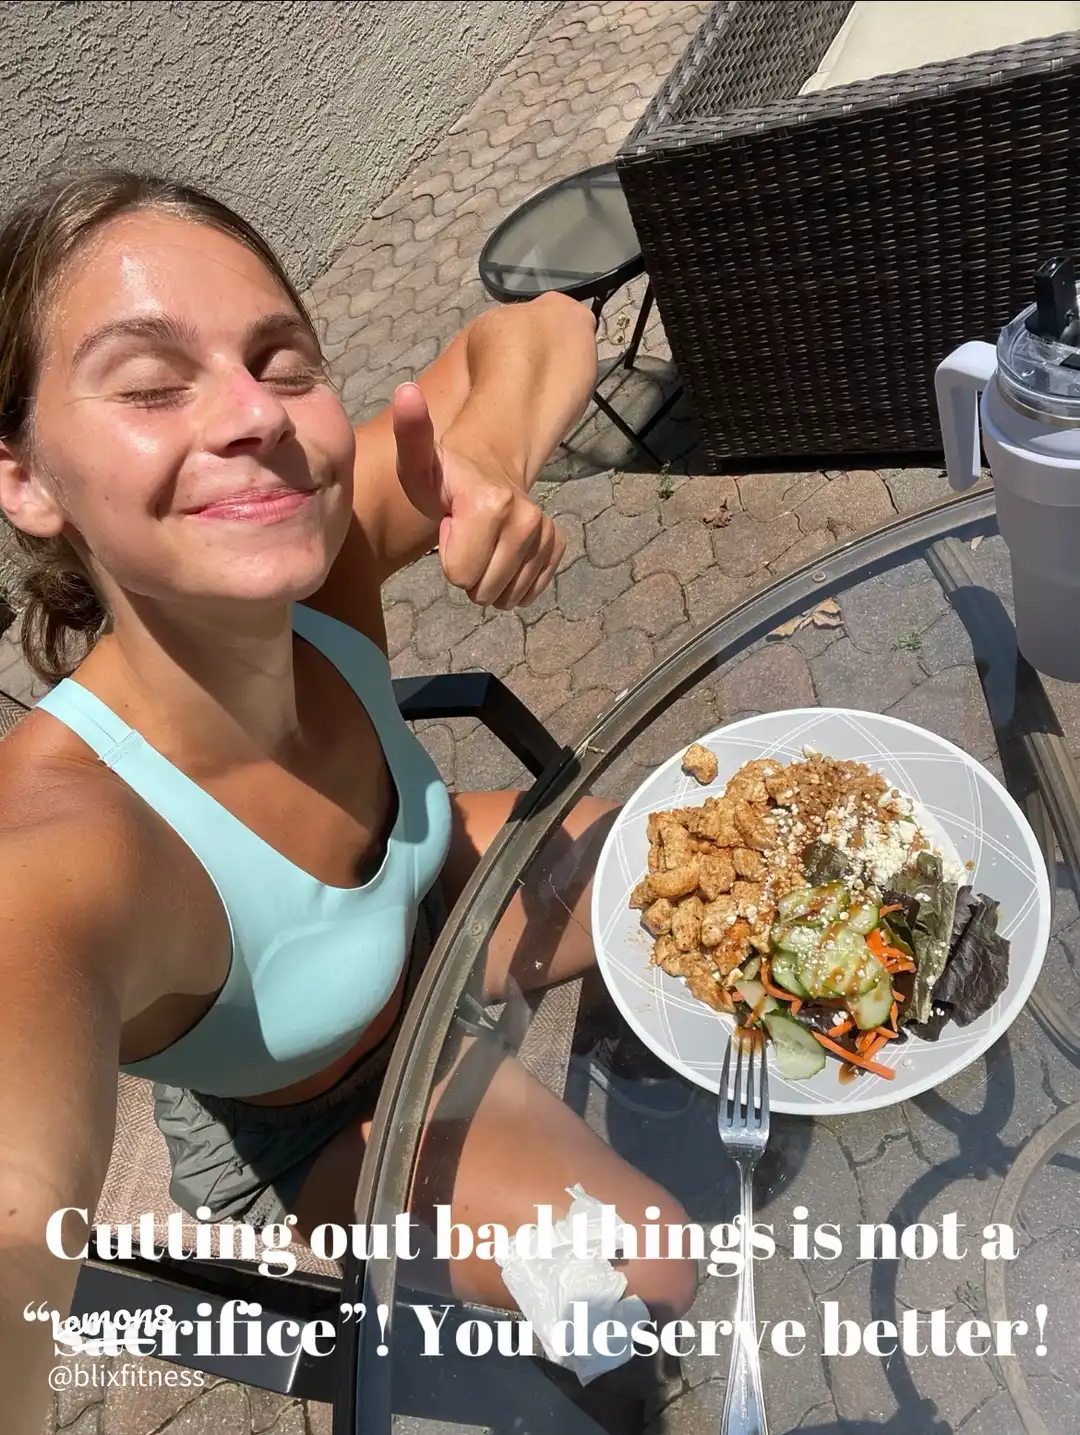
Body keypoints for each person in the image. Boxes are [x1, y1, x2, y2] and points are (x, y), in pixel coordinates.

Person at [0, 170, 696, 1430]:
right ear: (25, 475)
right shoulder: (68, 839)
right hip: (318, 1104)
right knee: (642, 1270)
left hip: (433, 902)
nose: (251, 416)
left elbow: (548, 328)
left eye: (283, 362)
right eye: (154, 385)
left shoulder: (325, 556)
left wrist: (475, 463)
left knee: (711, 869)